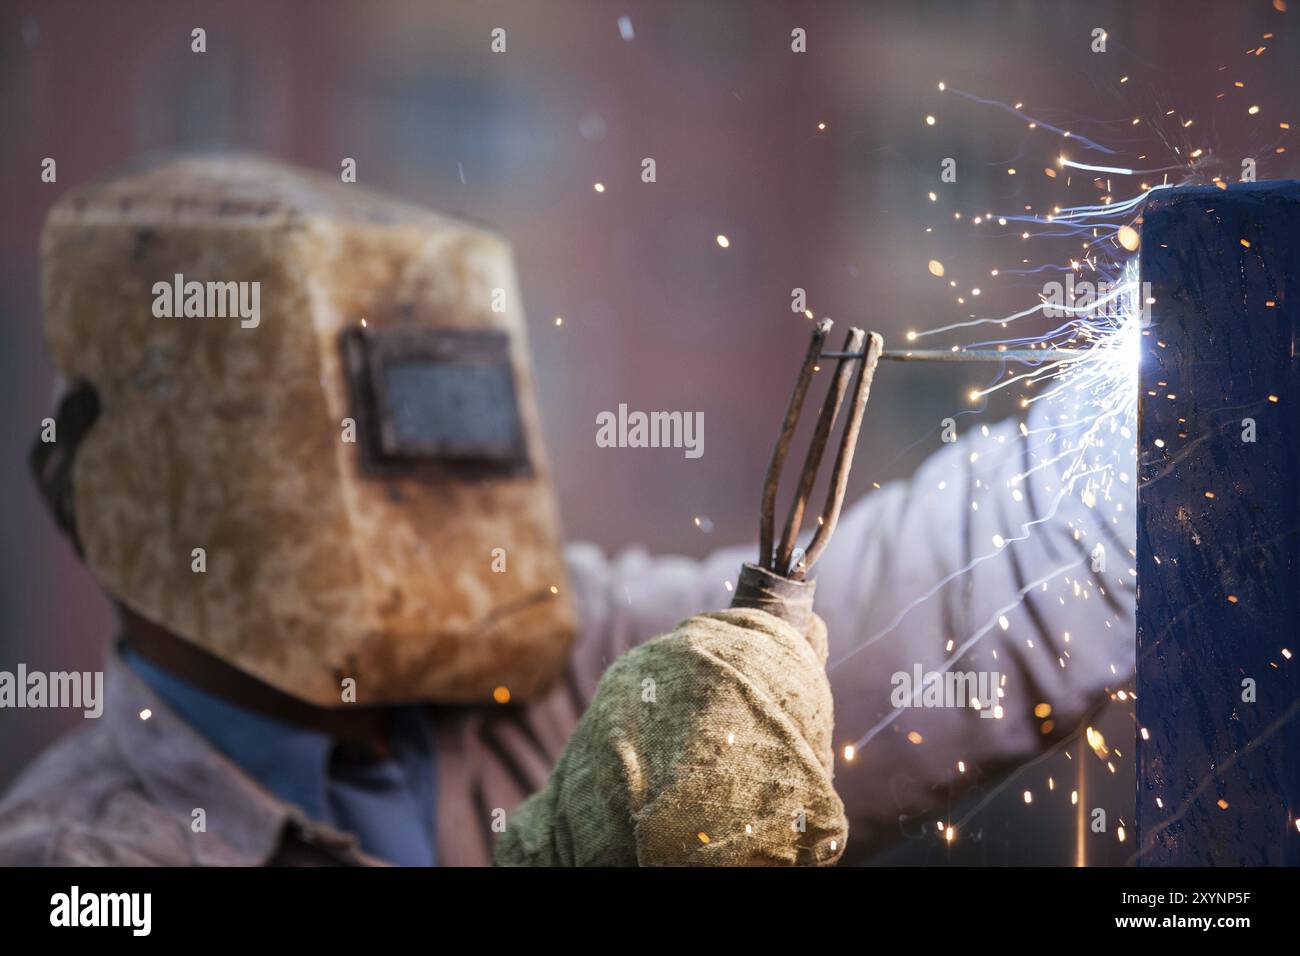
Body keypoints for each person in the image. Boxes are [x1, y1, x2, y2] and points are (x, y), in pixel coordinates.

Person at [0, 156, 1134, 866]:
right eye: (355, 432)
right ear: (148, 499)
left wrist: (1135, 452)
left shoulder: (550, 654)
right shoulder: (88, 856)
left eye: (445, 418)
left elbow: (935, 597)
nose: (428, 494)